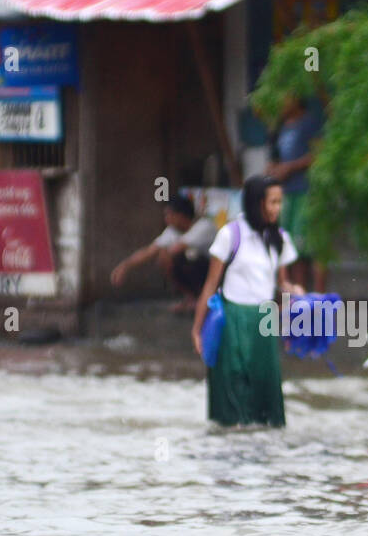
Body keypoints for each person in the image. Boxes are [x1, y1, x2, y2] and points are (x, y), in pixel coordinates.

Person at [192, 176, 303, 427]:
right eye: (272, 202)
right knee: (232, 389)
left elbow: (281, 284)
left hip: (264, 320)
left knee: (265, 388)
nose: (277, 208)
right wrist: (197, 329)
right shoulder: (230, 235)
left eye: (279, 202)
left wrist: (295, 293)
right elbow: (210, 285)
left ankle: (259, 455)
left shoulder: (280, 238)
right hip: (232, 319)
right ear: (257, 203)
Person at [110, 194, 217, 312]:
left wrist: (161, 252)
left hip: (214, 272)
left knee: (171, 256)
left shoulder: (204, 226)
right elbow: (150, 251)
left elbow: (176, 249)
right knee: (163, 258)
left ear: (181, 215)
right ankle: (191, 298)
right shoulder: (172, 231)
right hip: (198, 270)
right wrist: (125, 266)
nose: (166, 219)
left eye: (170, 214)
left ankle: (203, 298)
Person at [264, 94, 324, 292]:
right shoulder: (284, 126)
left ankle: (309, 294)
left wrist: (291, 167)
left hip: (305, 191)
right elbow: (278, 156)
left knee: (305, 247)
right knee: (288, 246)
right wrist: (275, 168)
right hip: (286, 193)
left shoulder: (309, 123)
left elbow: (319, 153)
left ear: (296, 99)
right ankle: (295, 295)